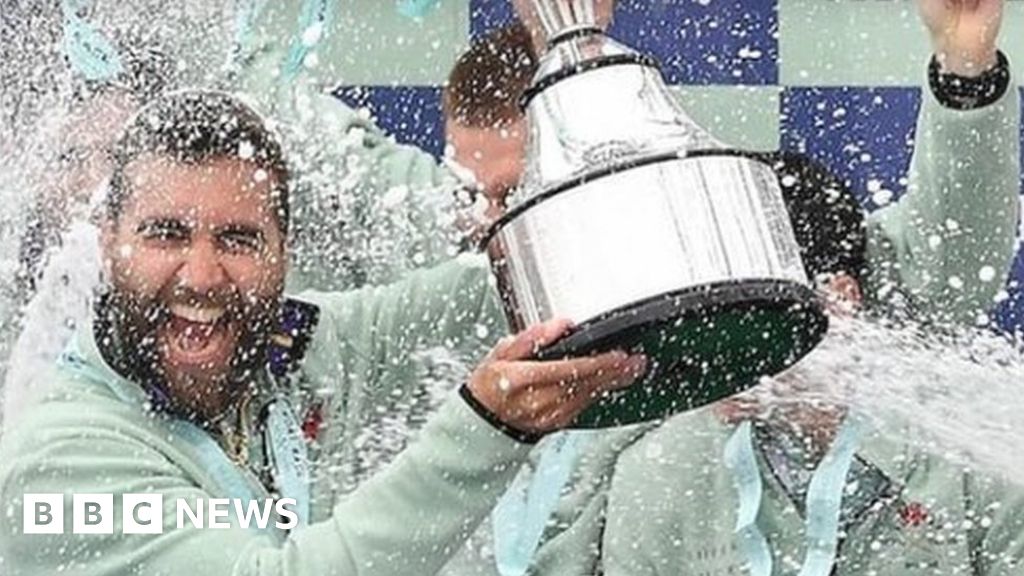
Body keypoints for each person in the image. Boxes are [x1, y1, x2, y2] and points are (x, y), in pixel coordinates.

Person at [0, 90, 646, 575]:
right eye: (165, 234)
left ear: (285, 253)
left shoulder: (279, 355)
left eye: (238, 238)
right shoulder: (57, 463)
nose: (200, 276)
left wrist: (590, 251)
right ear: (108, 246)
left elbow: (449, 304)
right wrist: (490, 427)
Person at [483, 1, 1024, 575]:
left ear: (841, 297)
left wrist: (968, 70)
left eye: (747, 315)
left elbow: (956, 248)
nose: (722, 354)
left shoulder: (961, 461)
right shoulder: (658, 468)